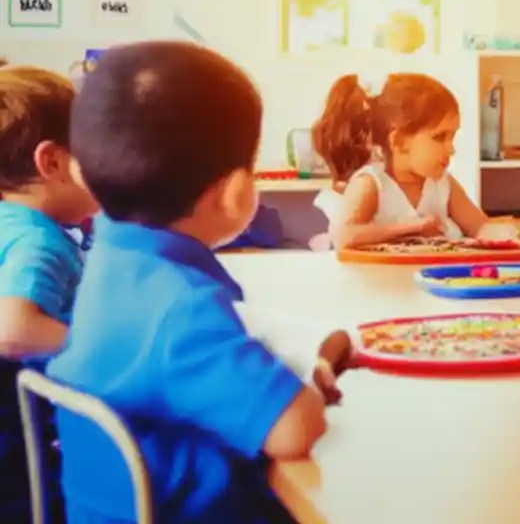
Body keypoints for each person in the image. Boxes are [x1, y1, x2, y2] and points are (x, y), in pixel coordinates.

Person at [48, 41, 351, 522]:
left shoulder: (107, 261)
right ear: (236, 193)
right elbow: (296, 428)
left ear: (81, 173)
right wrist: (302, 377)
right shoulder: (182, 307)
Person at [0, 65, 98, 524]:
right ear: (53, 163)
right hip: (13, 452)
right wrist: (97, 344)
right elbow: (13, 329)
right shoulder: (37, 239)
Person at [312, 73, 516, 250]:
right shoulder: (371, 184)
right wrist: (412, 228)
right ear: (399, 142)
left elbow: (479, 226)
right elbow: (342, 236)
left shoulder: (443, 183)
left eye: (452, 137)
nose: (451, 149)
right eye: (439, 137)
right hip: (382, 287)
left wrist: (497, 232)